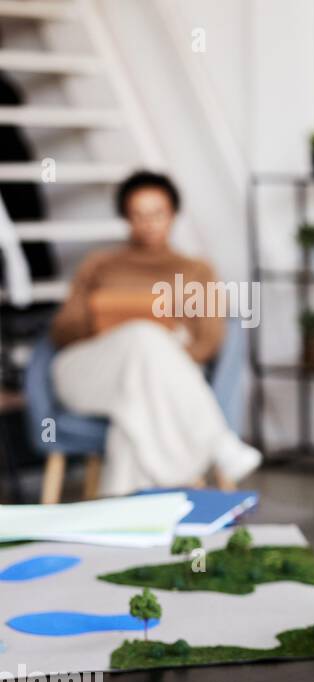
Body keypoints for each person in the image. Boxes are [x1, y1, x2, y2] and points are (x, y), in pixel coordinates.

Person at [49, 171, 260, 496]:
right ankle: (219, 442)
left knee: (139, 390)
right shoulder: (98, 265)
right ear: (126, 217)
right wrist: (101, 316)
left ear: (173, 215)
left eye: (157, 214)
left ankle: (123, 507)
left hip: (155, 380)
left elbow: (207, 342)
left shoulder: (196, 270)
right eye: (138, 214)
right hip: (93, 371)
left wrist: (158, 348)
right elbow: (61, 332)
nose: (148, 223)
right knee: (140, 336)